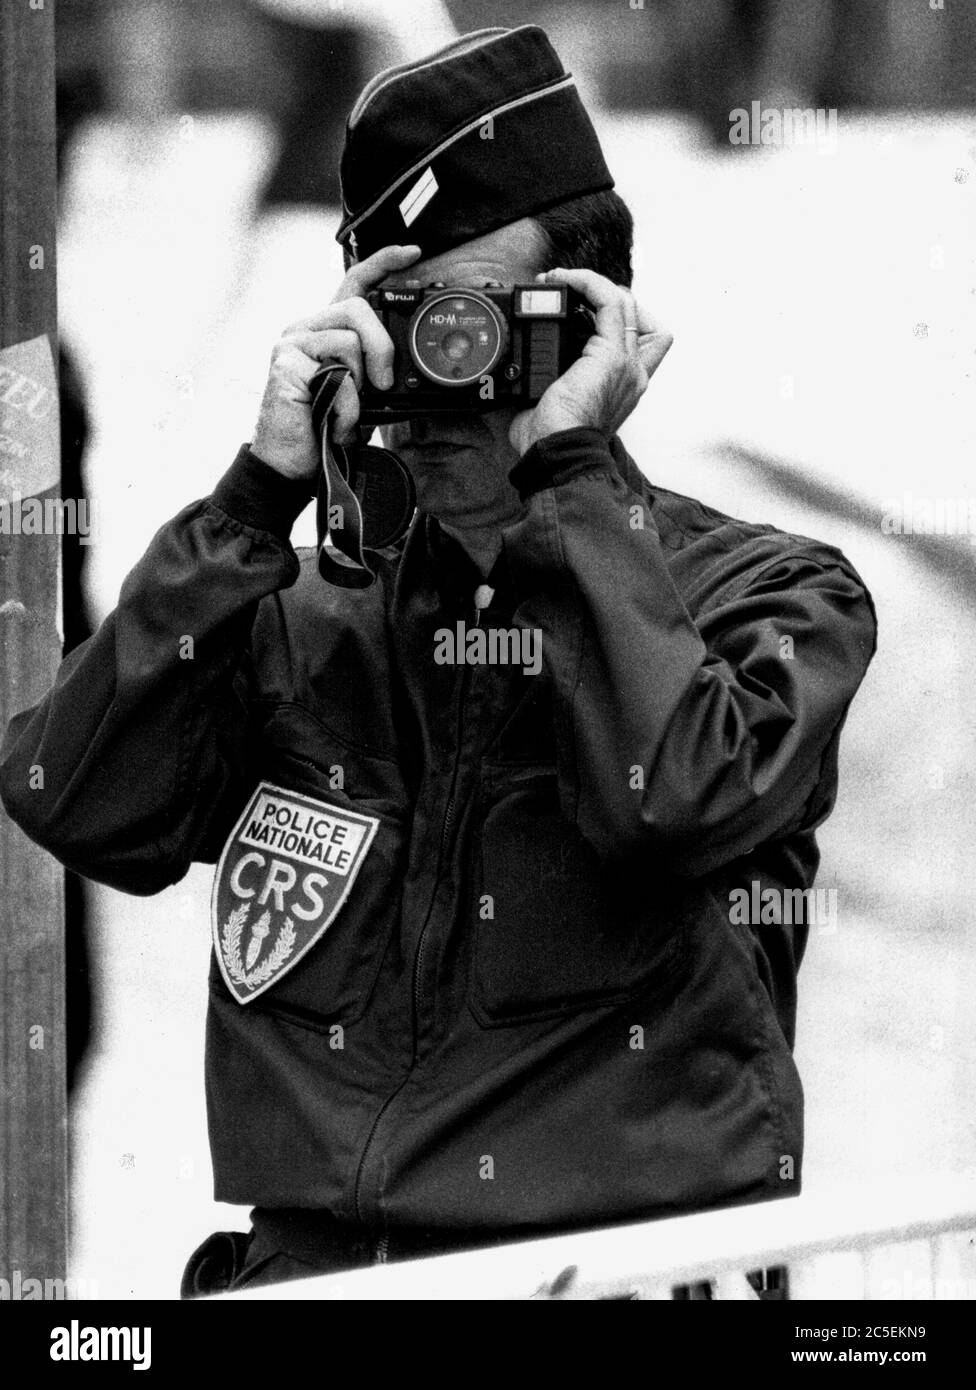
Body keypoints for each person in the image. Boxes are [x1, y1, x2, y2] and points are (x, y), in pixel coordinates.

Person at [0, 25, 876, 1295]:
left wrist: (573, 480)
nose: (452, 371)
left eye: (491, 322)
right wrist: (256, 497)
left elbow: (676, 801)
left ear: (597, 325)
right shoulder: (298, 612)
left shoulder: (768, 597)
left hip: (605, 1278)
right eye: (414, 324)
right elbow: (76, 803)